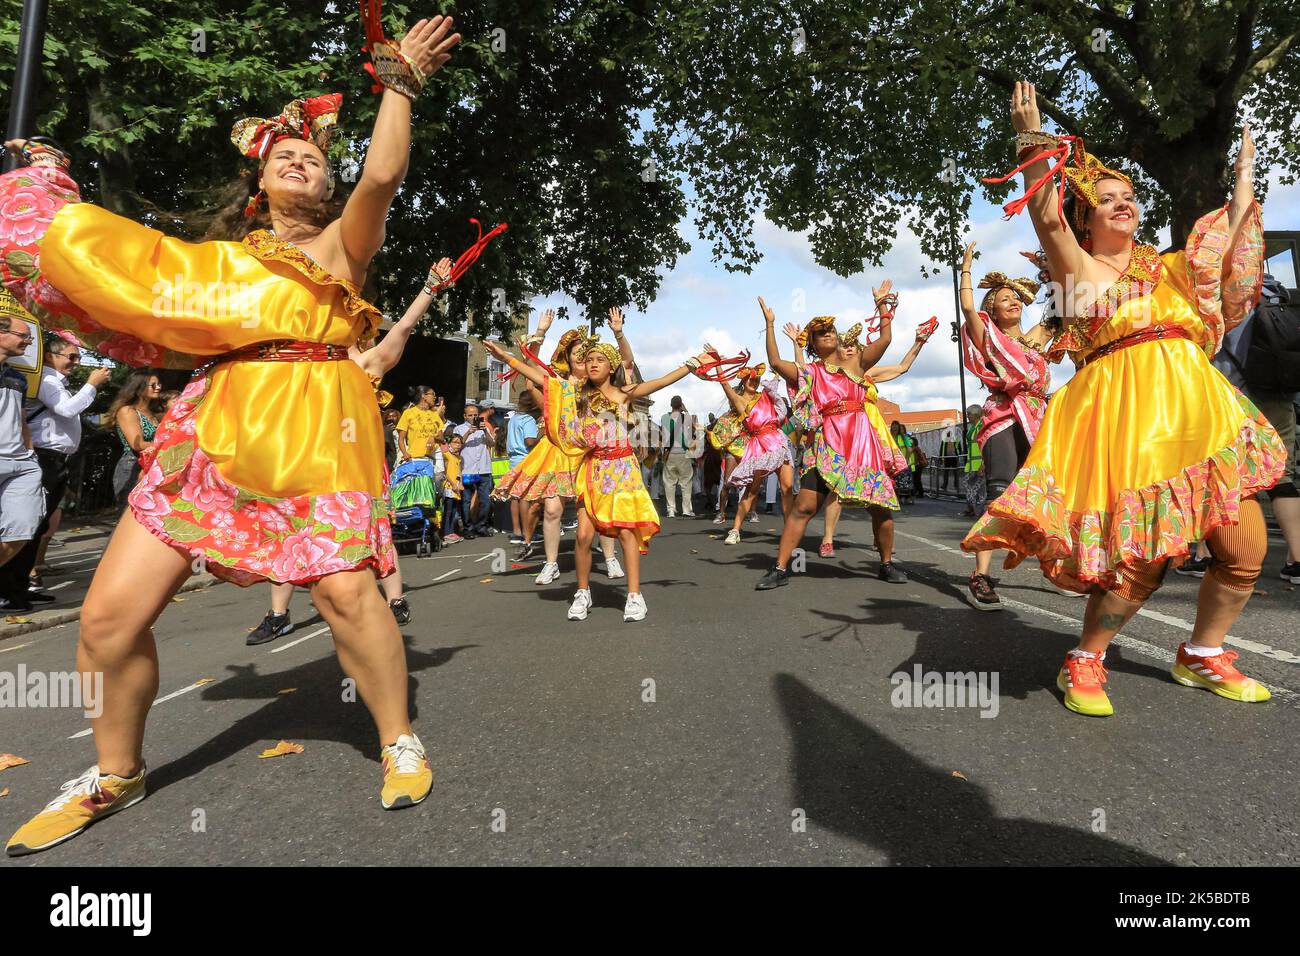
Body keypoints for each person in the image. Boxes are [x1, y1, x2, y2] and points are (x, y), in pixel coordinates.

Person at [2, 15, 463, 856]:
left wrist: (399, 84)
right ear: (258, 180)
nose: (299, 160)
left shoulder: (338, 247)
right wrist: (36, 188)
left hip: (316, 417)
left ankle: (397, 735)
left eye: (315, 159)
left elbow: (384, 177)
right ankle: (116, 773)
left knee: (344, 595)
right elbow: (128, 270)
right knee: (107, 617)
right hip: (211, 425)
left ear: (327, 187)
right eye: (284, 155)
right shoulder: (219, 267)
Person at [964, 83, 1284, 717]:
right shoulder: (1075, 272)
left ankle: (1202, 653)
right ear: (1087, 217)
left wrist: (1243, 182)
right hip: (1130, 417)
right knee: (1146, 553)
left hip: (1199, 407)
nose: (1124, 205)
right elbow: (1046, 217)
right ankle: (1086, 655)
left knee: (1246, 549)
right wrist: (1031, 141)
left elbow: (1231, 264)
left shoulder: (1169, 266)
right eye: (1108, 200)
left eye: (1130, 197)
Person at [247, 257, 454, 643]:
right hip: (305, 458)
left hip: (355, 465)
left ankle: (394, 601)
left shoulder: (368, 364)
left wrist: (429, 288)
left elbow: (405, 326)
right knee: (289, 531)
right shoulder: (307, 362)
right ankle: (278, 614)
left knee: (377, 532)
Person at [488, 337, 711, 621]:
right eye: (589, 359)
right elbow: (542, 378)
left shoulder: (623, 394)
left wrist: (692, 365)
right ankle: (582, 593)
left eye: (599, 360)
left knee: (627, 532)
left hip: (622, 470)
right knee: (583, 535)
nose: (592, 364)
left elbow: (662, 382)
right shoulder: (575, 392)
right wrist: (507, 358)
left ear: (611, 367)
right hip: (592, 470)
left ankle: (633, 595)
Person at [754, 292, 914, 590]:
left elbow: (885, 341)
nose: (827, 334)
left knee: (880, 506)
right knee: (803, 507)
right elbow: (775, 362)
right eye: (819, 333)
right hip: (828, 443)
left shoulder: (856, 365)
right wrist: (770, 324)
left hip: (862, 442)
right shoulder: (810, 372)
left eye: (830, 331)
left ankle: (886, 564)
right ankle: (779, 568)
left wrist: (882, 307)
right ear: (812, 344)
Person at [492, 307, 628, 584]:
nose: (583, 358)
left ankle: (610, 557)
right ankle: (551, 562)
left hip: (589, 453)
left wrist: (618, 333)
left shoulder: (598, 386)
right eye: (577, 354)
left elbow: (625, 363)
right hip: (558, 452)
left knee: (599, 507)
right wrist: (540, 332)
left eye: (587, 354)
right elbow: (528, 370)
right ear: (567, 358)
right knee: (552, 509)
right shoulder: (558, 384)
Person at [959, 243, 1054, 611]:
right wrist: (967, 267)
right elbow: (968, 307)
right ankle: (981, 575)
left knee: (1044, 494)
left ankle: (1056, 565)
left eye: (1016, 296)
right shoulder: (987, 336)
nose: (1013, 301)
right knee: (998, 493)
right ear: (991, 311)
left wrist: (1047, 268)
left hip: (1038, 419)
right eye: (1003, 298)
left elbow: (1061, 308)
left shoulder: (1035, 338)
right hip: (1003, 417)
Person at [0, 336, 110, 608]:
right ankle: (11, 590)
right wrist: (92, 385)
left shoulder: (55, 382)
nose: (76, 362)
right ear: (49, 357)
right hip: (44, 458)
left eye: (77, 357)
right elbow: (66, 408)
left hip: (56, 460)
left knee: (37, 525)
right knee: (28, 524)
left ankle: (20, 586)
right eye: (70, 357)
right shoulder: (48, 380)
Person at [716, 363, 794, 545]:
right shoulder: (739, 401)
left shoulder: (765, 395)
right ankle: (735, 530)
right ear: (744, 381)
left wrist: (777, 374)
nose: (755, 382)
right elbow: (725, 385)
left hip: (778, 442)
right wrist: (718, 364)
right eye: (751, 379)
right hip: (759, 446)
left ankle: (790, 531)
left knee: (787, 489)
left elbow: (775, 383)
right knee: (751, 491)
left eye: (757, 379)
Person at [0, 314, 44, 613]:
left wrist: (31, 455)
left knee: (21, 530)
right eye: (23, 335)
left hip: (21, 462)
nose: (28, 341)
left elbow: (22, 420)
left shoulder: (17, 376)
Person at [108, 371, 161, 513]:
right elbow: (137, 444)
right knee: (128, 515)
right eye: (153, 385)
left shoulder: (151, 412)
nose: (158, 388)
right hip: (132, 466)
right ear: (139, 387)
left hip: (150, 465)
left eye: (159, 384)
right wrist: (168, 445)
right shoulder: (127, 411)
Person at [453, 400, 497, 538]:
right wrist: (468, 433)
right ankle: (468, 528)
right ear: (465, 416)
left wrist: (484, 430)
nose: (473, 418)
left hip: (483, 468)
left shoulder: (484, 428)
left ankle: (481, 526)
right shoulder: (458, 429)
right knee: (466, 500)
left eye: (475, 415)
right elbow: (456, 446)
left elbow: (492, 443)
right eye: (470, 415)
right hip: (467, 469)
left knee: (485, 500)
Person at [505, 388, 541, 544]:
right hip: (525, 460)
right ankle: (528, 532)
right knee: (526, 497)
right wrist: (542, 433)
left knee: (515, 497)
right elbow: (530, 442)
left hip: (513, 460)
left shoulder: (513, 419)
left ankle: (517, 531)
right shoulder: (528, 420)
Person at [660, 395, 700, 518]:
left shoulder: (664, 418)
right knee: (686, 482)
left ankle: (671, 509)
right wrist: (686, 410)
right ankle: (686, 510)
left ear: (671, 405)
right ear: (681, 405)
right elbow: (695, 427)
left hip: (669, 452)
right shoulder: (685, 417)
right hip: (683, 452)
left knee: (669, 483)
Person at [396, 385, 445, 465]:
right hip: (415, 457)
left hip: (434, 457)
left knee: (438, 477)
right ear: (423, 396)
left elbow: (442, 438)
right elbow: (401, 438)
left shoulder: (434, 415)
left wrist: (433, 438)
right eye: (433, 394)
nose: (435, 397)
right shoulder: (408, 413)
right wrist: (405, 453)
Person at [961, 405, 987, 518]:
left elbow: (985, 445)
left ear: (975, 414)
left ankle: (979, 510)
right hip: (971, 464)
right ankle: (973, 507)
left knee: (980, 488)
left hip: (979, 464)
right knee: (968, 484)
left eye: (969, 414)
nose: (967, 417)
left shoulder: (982, 426)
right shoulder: (973, 427)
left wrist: (983, 463)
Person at [441, 432, 465, 542]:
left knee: (454, 510)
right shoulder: (447, 455)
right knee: (448, 510)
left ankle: (451, 531)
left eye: (460, 443)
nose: (458, 445)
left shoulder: (458, 457)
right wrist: (453, 484)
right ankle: (446, 532)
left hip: (456, 486)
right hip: (449, 486)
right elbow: (445, 472)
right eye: (455, 442)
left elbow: (459, 471)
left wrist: (460, 483)